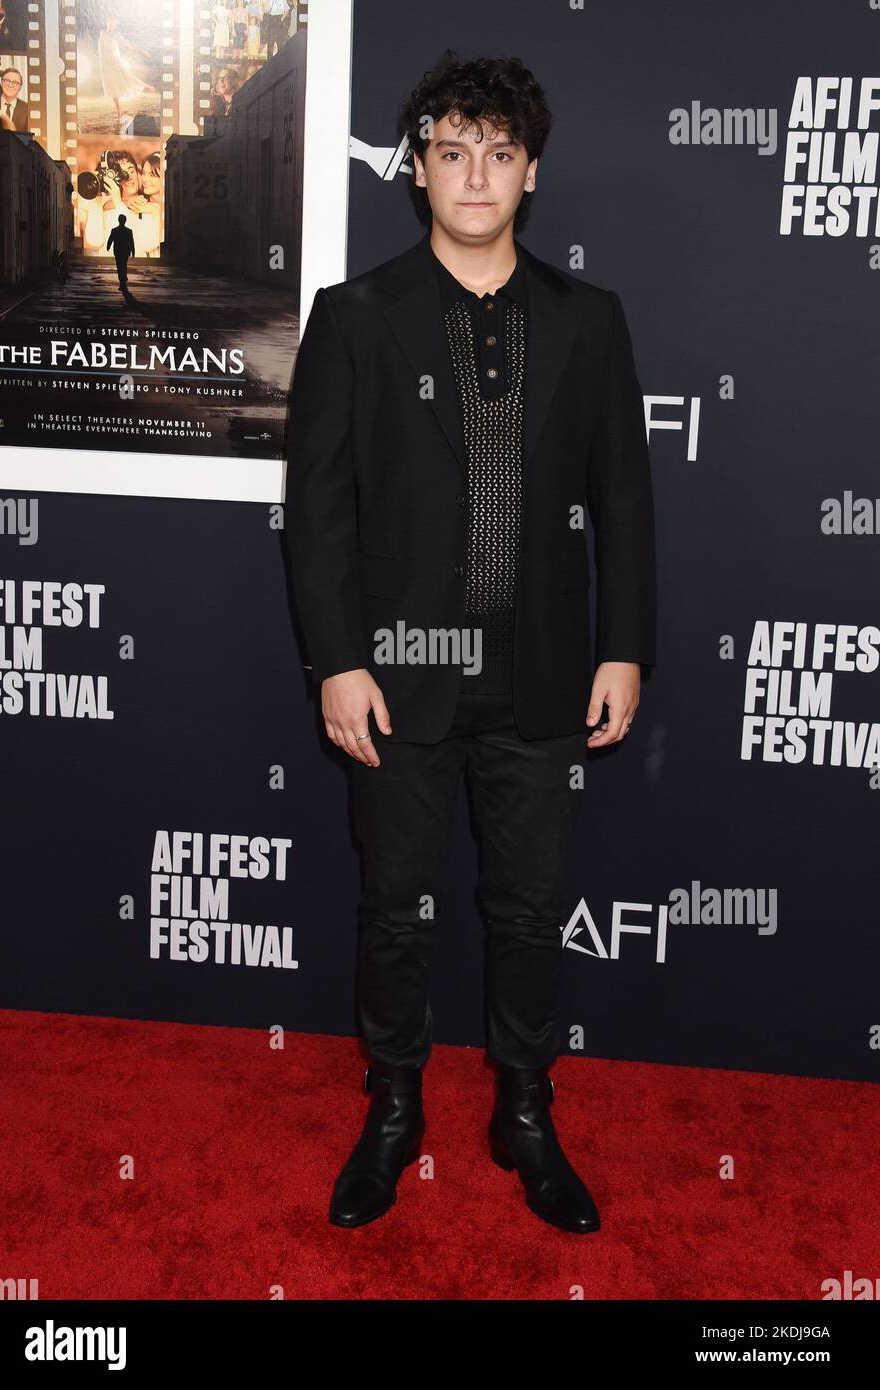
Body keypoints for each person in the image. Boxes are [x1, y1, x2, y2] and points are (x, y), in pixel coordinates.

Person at [285, 51, 657, 1235]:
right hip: (397, 679)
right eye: (452, 150)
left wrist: (623, 645)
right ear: (420, 171)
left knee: (526, 909)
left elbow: (627, 502)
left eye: (499, 151)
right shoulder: (353, 319)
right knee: (394, 909)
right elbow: (321, 508)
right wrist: (337, 660)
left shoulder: (589, 322)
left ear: (530, 171)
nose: (475, 172)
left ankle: (524, 1111)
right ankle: (393, 1109)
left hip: (544, 675)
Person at [97, 16, 155, 129]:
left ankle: (147, 86)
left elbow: (129, 45)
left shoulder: (116, 34)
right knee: (112, 88)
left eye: (114, 23)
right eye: (110, 22)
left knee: (127, 77)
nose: (111, 25)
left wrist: (143, 51)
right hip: (106, 65)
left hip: (115, 62)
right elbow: (100, 49)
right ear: (107, 22)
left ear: (116, 25)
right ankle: (119, 113)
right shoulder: (102, 33)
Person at [106, 213, 135, 293]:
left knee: (119, 267)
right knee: (124, 265)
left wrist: (108, 246)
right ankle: (123, 279)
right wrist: (133, 251)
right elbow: (131, 242)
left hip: (118, 251)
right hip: (125, 252)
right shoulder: (129, 231)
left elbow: (110, 239)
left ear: (118, 220)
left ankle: (122, 281)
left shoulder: (114, 230)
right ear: (125, 221)